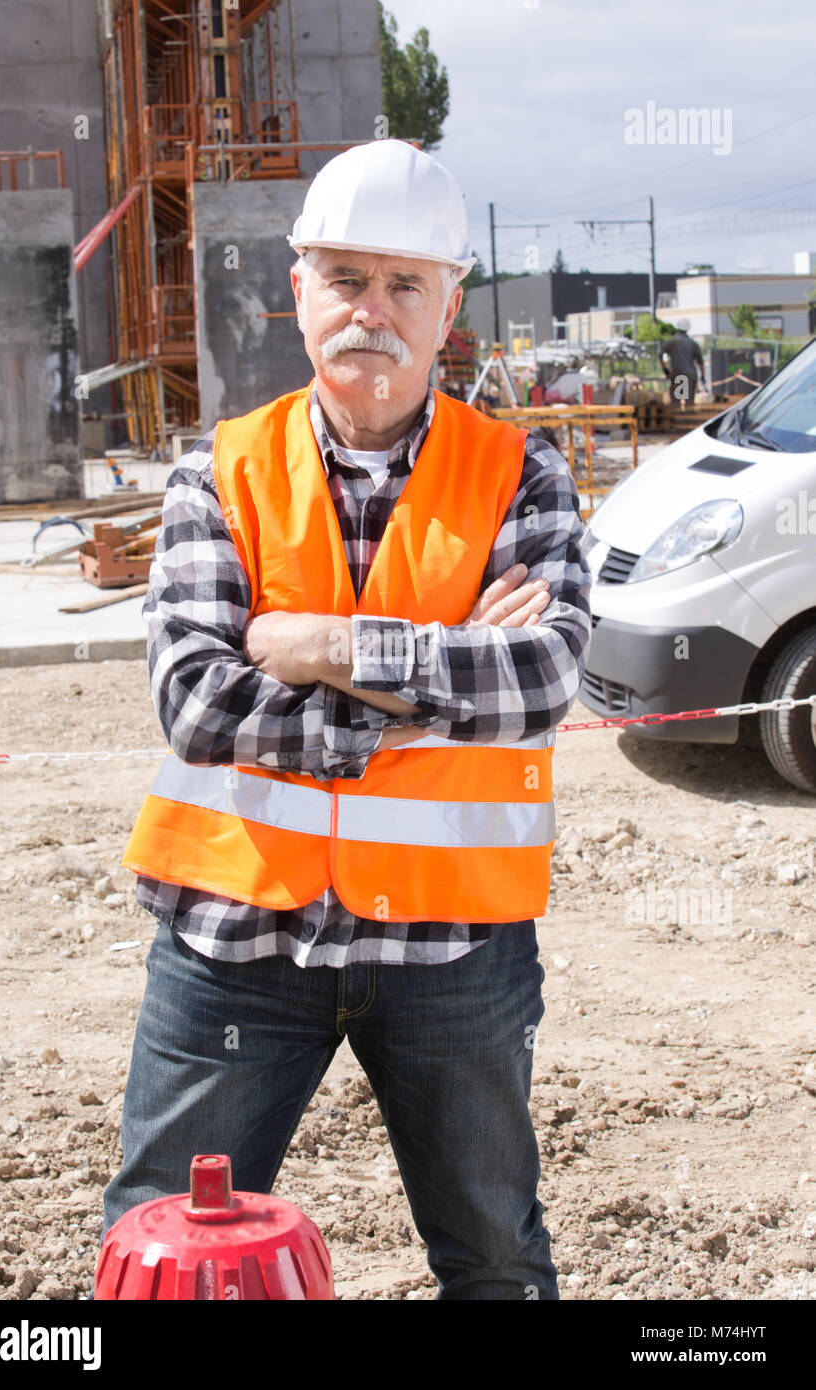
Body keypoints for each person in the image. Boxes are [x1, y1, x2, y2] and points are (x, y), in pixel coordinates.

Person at [97, 139, 592, 1301]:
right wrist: (430, 689)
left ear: (448, 306)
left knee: (495, 1259)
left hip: (450, 952)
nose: (372, 311)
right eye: (346, 280)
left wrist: (318, 644)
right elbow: (197, 699)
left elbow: (540, 679)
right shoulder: (216, 474)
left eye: (403, 285)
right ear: (299, 289)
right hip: (235, 942)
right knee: (161, 1248)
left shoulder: (520, 477)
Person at [660, 318, 705, 409]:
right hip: (690, 376)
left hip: (679, 376)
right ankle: (690, 421)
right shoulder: (693, 343)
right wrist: (703, 376)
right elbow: (700, 361)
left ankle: (677, 422)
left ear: (677, 328)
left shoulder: (672, 342)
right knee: (689, 403)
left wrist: (665, 370)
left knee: (676, 403)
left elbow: (660, 355)